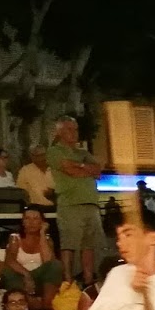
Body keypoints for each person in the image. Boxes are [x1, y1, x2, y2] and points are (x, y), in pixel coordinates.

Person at [49, 115, 104, 285]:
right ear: (59, 132)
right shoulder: (54, 151)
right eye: (69, 129)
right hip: (70, 203)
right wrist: (85, 169)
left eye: (75, 129)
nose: (74, 133)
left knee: (88, 244)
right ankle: (67, 279)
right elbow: (68, 169)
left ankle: (88, 279)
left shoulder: (83, 153)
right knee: (69, 244)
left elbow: (98, 170)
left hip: (91, 203)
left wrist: (80, 166)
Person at [0, 206, 63, 310]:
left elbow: (49, 262)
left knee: (56, 265)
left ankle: (47, 304)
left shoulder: (47, 239)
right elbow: (10, 261)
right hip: (21, 278)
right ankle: (32, 304)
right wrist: (27, 275)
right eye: (27, 218)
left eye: (35, 218)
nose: (31, 222)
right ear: (23, 222)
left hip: (40, 279)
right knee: (8, 272)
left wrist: (43, 234)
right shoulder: (15, 238)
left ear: (42, 222)